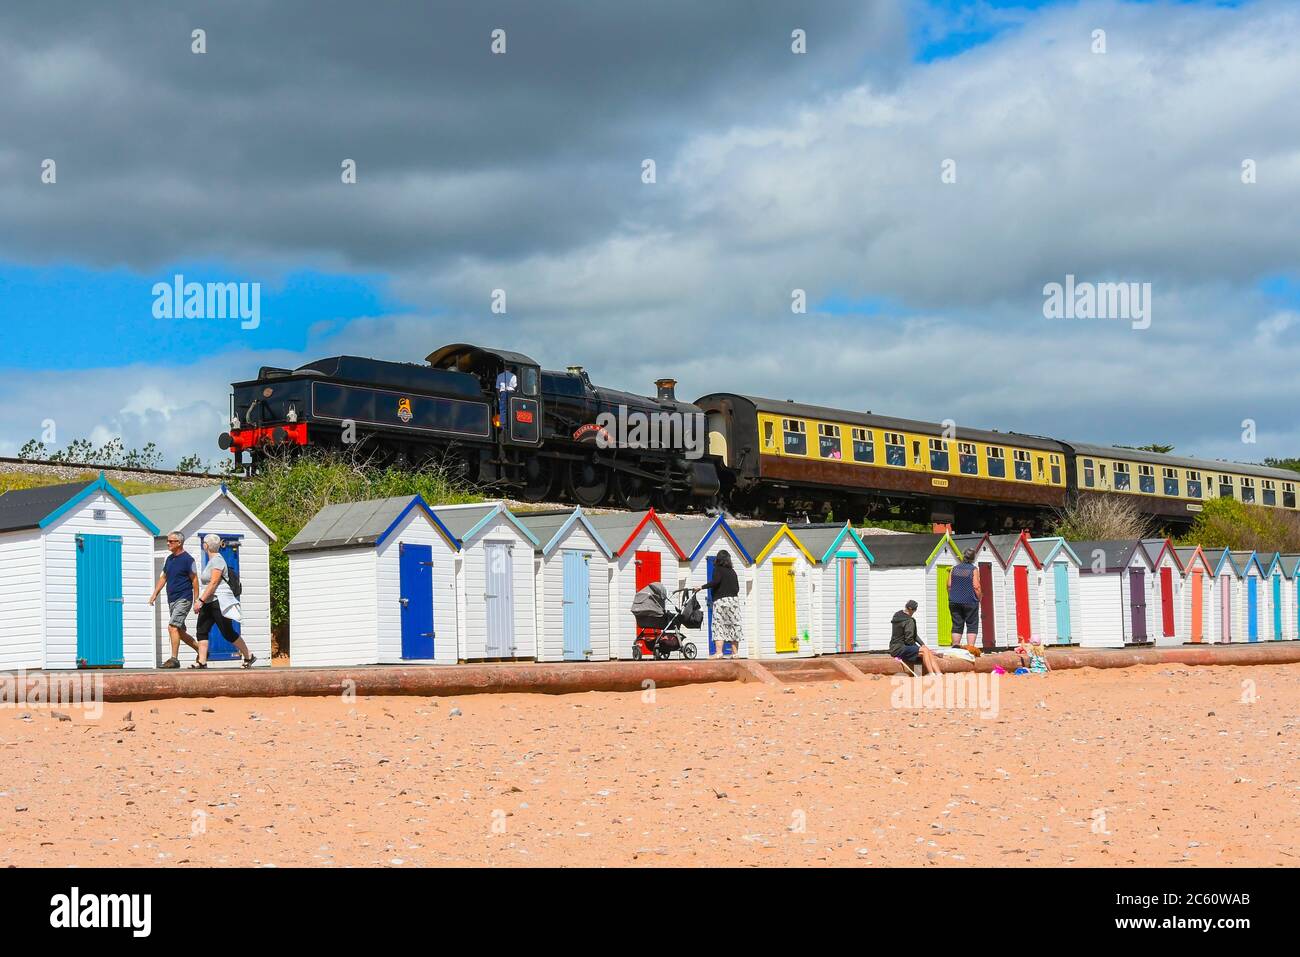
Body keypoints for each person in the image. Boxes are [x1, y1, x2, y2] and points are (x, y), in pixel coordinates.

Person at [192, 534, 256, 669]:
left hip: (219, 601)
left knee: (227, 632)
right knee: (202, 630)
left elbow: (214, 582)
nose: (203, 545)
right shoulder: (211, 561)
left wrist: (200, 600)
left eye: (204, 543)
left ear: (206, 546)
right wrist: (202, 600)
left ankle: (248, 655)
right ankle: (202, 661)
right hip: (208, 601)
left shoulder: (218, 560)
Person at [147, 531, 201, 669]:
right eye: (168, 541)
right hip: (172, 599)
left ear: (179, 543)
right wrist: (155, 593)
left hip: (184, 599)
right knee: (179, 632)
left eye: (171, 541)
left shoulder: (188, 560)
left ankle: (174, 659)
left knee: (172, 627)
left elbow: (195, 580)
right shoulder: (169, 559)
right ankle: (201, 650)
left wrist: (197, 600)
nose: (168, 543)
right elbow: (163, 577)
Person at [702, 550, 742, 658]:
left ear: (718, 559)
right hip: (734, 601)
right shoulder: (733, 572)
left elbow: (715, 582)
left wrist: (701, 587)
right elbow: (737, 588)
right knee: (734, 625)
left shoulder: (717, 569)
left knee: (719, 625)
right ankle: (735, 653)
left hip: (721, 601)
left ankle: (719, 652)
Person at [890, 599, 939, 675]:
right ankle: (932, 673)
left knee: (924, 649)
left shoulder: (897, 615)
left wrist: (922, 645)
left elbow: (913, 635)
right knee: (924, 651)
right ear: (913, 610)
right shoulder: (909, 620)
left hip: (893, 647)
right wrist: (920, 648)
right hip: (899, 649)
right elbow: (909, 639)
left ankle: (928, 673)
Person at [947, 548, 982, 652]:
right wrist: (979, 598)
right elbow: (976, 587)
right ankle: (970, 649)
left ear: (963, 556)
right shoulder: (973, 569)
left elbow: (949, 585)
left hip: (954, 601)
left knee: (957, 624)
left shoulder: (954, 569)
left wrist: (952, 596)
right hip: (970, 601)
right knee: (972, 624)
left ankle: (955, 647)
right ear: (973, 558)